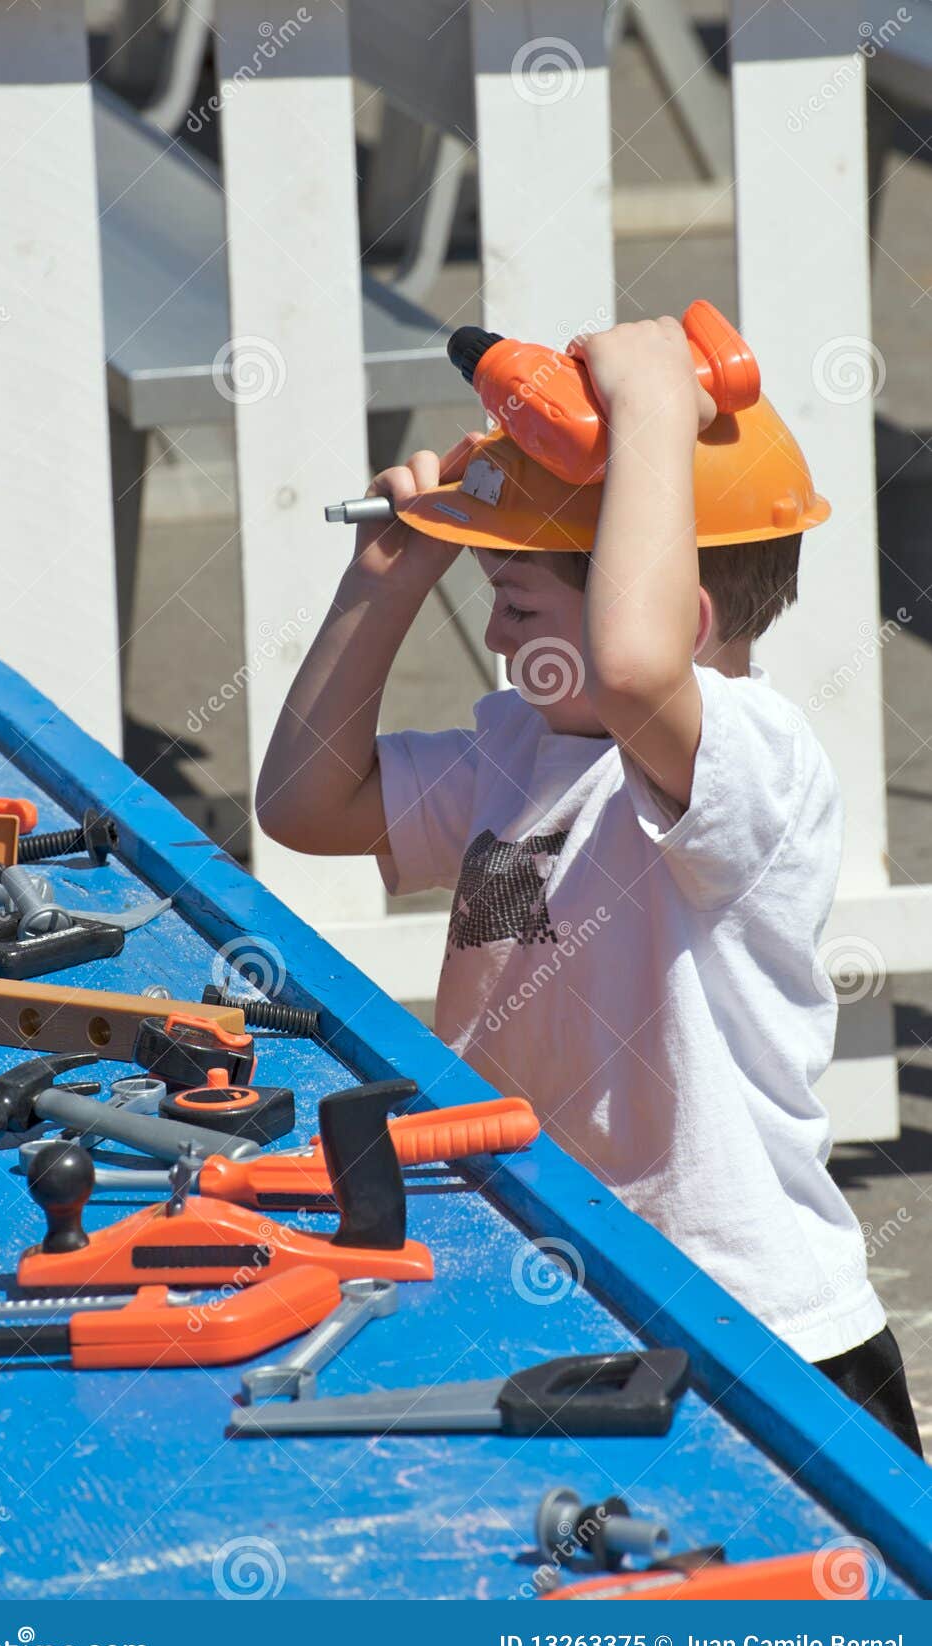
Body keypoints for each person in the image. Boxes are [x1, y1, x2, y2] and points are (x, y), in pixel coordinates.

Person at [257, 315, 922, 1456]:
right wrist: (384, 579)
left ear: (685, 618)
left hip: (754, 1324)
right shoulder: (511, 746)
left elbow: (630, 667)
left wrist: (657, 397)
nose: (491, 621)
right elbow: (303, 806)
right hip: (557, 1271)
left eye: (518, 602)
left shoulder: (749, 761)